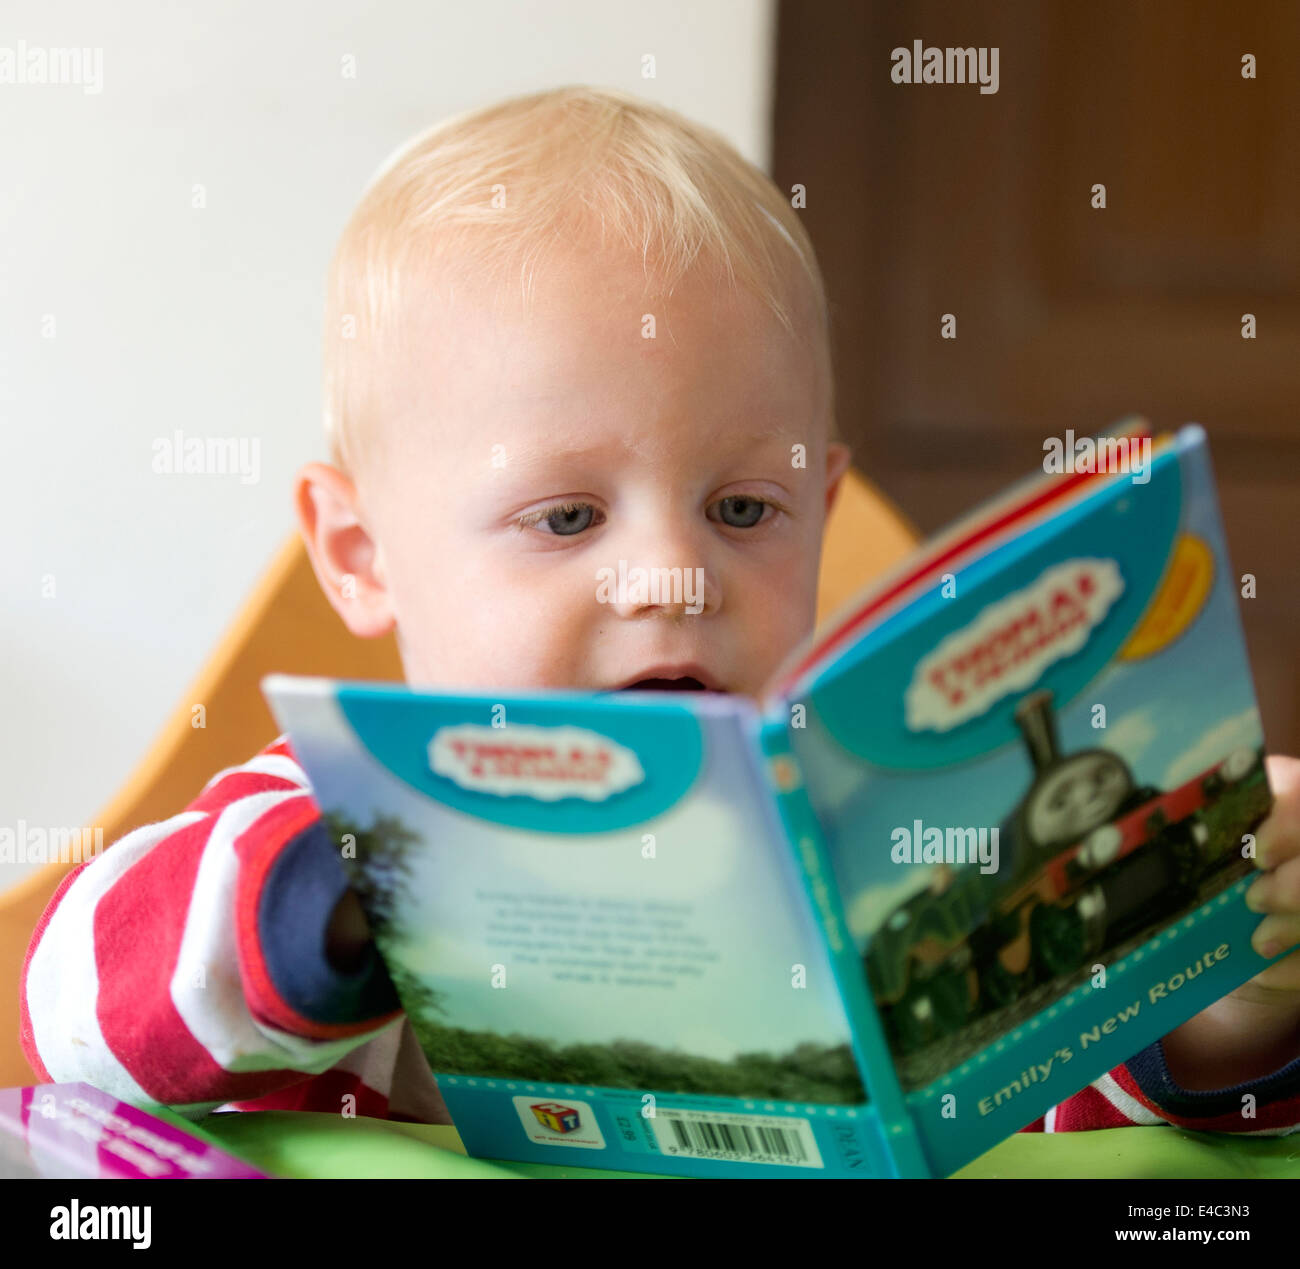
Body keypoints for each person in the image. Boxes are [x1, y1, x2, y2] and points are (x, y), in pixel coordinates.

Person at [21, 86, 1300, 1136]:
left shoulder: (879, 862)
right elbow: (72, 1012)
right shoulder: (315, 820)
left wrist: (1234, 991)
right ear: (362, 557)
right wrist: (363, 895)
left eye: (742, 509)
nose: (672, 578)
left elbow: (1059, 1109)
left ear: (820, 512)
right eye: (566, 517)